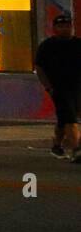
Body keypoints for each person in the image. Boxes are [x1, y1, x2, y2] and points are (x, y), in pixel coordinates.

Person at [35, 13, 81, 162]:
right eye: (61, 26)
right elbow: (39, 67)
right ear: (55, 28)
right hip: (59, 89)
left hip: (77, 87)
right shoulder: (47, 46)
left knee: (64, 118)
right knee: (70, 118)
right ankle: (76, 150)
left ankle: (57, 146)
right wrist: (48, 87)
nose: (65, 29)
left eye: (67, 26)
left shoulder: (77, 44)